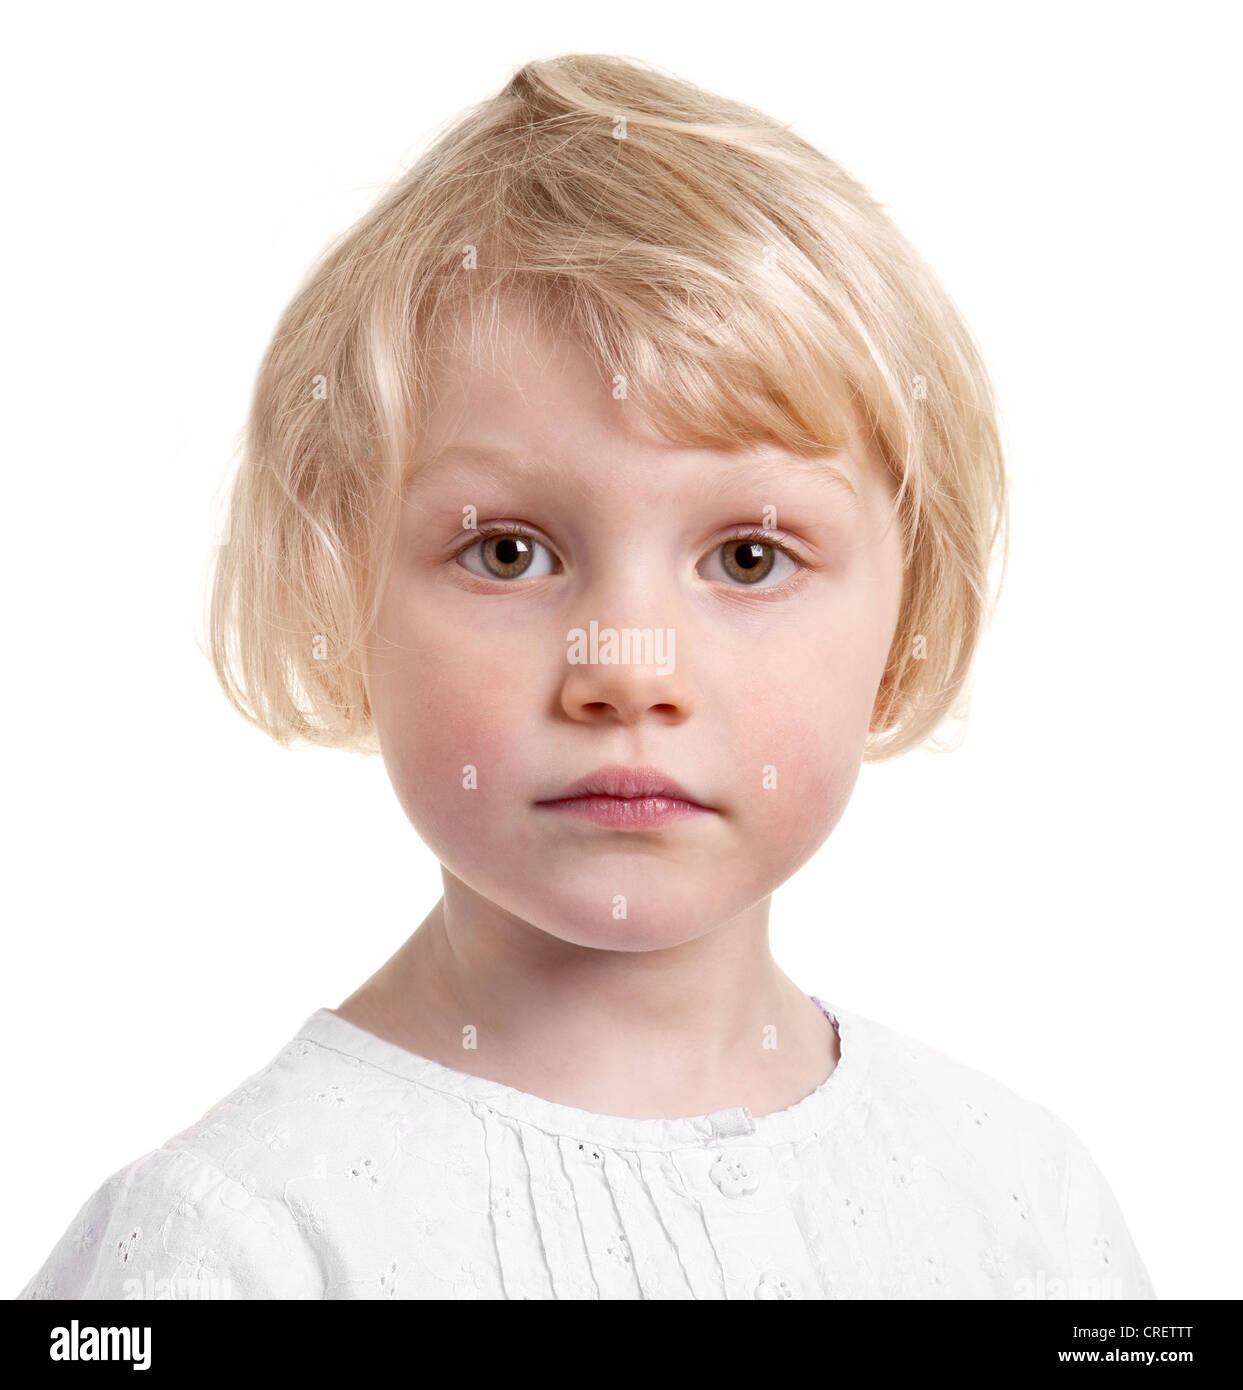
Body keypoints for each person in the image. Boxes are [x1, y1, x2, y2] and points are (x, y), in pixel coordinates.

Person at [18, 52, 1154, 1301]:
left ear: (908, 616)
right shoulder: (232, 1246)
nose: (629, 670)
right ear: (340, 587)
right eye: (508, 552)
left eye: (748, 554)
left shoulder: (1021, 1203)